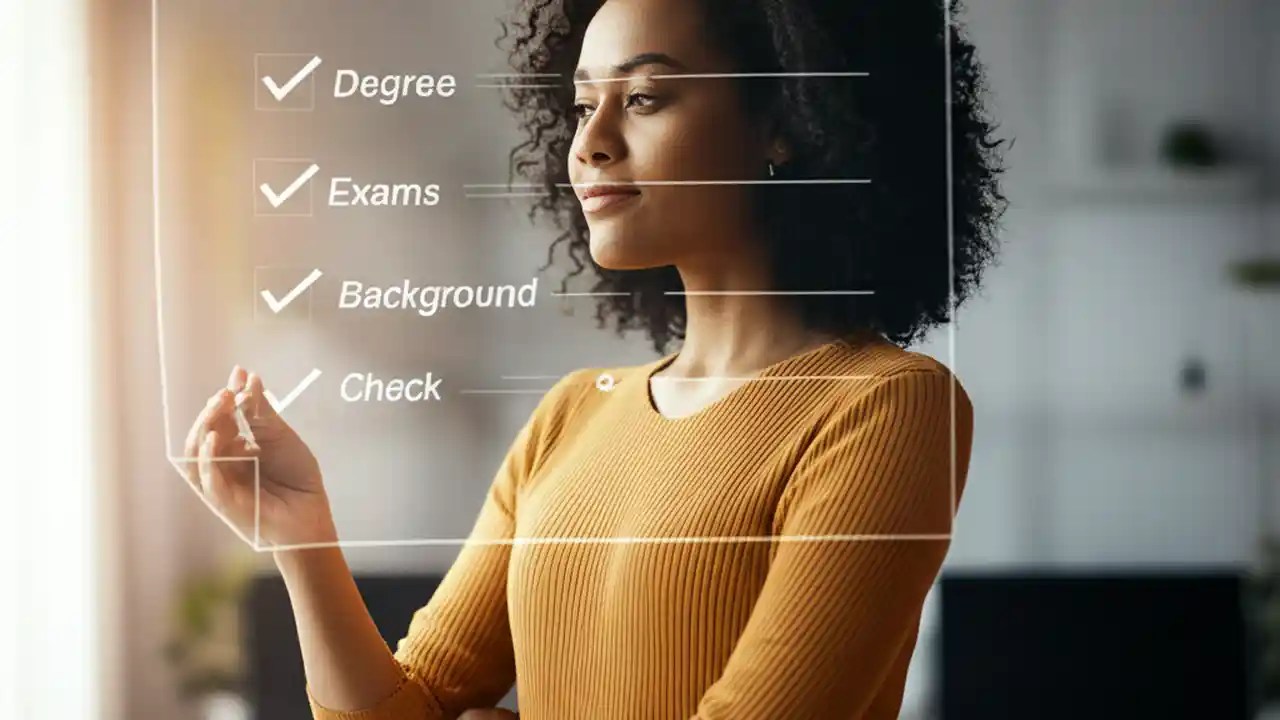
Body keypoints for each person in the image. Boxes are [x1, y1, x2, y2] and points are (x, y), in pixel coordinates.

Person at [183, 0, 1007, 717]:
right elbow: (406, 709)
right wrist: (301, 540)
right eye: (582, 107)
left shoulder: (887, 406)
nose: (590, 145)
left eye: (645, 97)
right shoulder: (572, 414)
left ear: (786, 123)